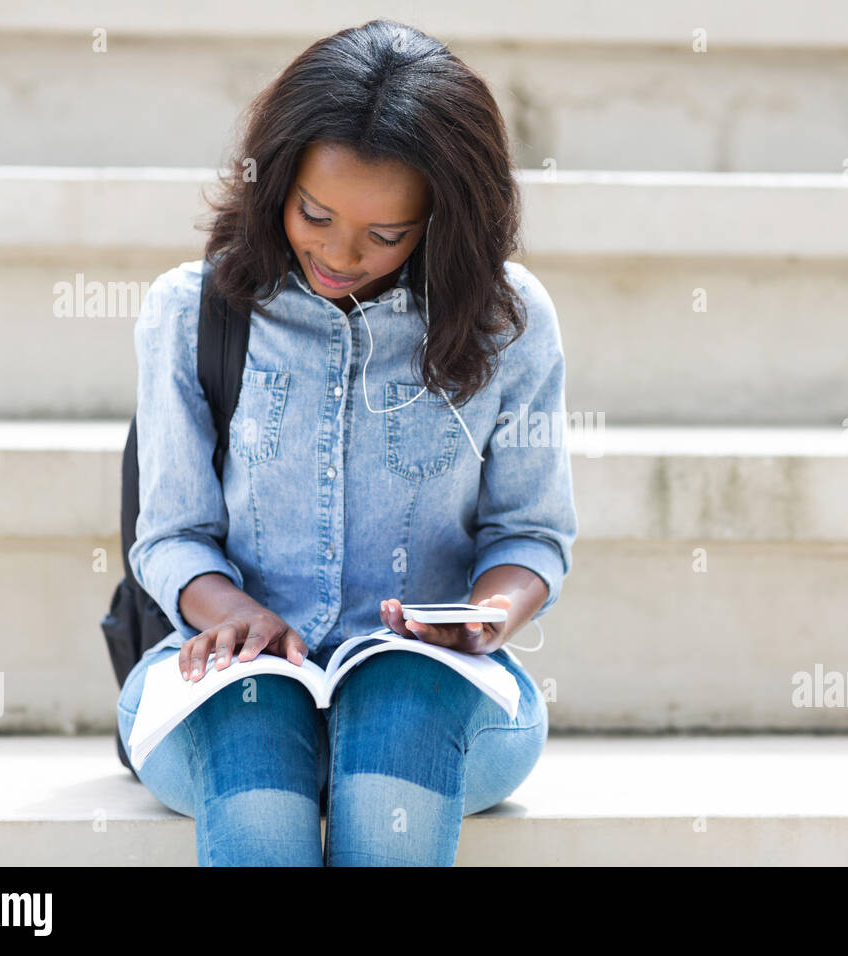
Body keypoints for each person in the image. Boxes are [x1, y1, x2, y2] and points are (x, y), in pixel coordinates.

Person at [114, 19, 577, 866]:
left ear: (446, 216)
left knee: (397, 710)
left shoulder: (509, 320)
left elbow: (531, 533)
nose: (340, 253)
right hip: (230, 684)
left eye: (386, 234)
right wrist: (235, 616)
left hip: (438, 692)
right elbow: (172, 536)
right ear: (276, 181)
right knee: (257, 737)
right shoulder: (193, 312)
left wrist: (486, 617)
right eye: (315, 214)